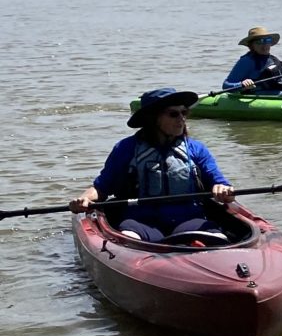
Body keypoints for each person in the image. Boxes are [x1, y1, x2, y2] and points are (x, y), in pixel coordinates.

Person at [70, 88, 236, 242]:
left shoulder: (196, 149)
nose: (181, 119)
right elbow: (102, 188)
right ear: (153, 118)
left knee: (219, 240)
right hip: (141, 222)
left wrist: (223, 190)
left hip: (188, 219)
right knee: (128, 240)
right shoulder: (126, 148)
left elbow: (219, 183)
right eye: (173, 114)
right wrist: (84, 199)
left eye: (184, 112)